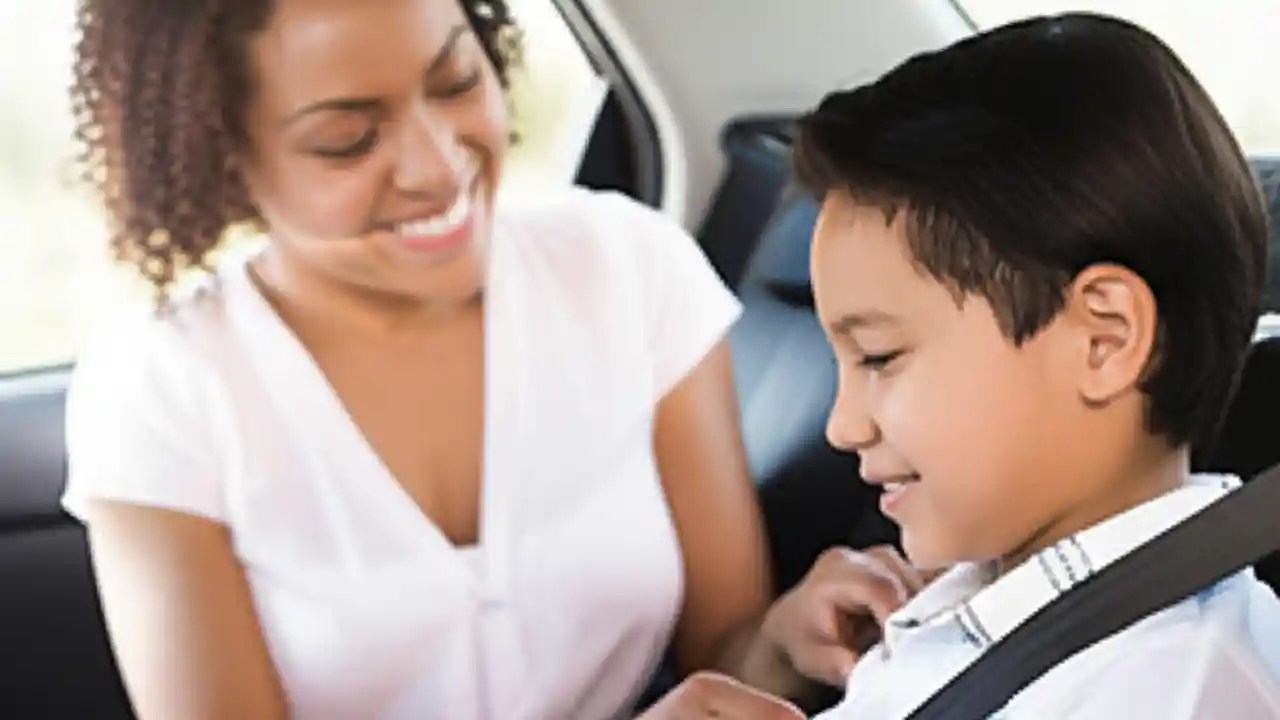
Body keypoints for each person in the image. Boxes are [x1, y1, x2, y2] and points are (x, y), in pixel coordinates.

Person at [61, 0, 919, 718]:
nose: (438, 166)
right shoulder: (161, 388)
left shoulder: (626, 269)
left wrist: (783, 637)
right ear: (224, 160)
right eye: (347, 141)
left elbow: (721, 658)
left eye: (456, 83)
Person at [778, 12, 1280, 719]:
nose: (842, 424)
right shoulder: (984, 604)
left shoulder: (1168, 690)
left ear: (1102, 340)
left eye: (880, 358)